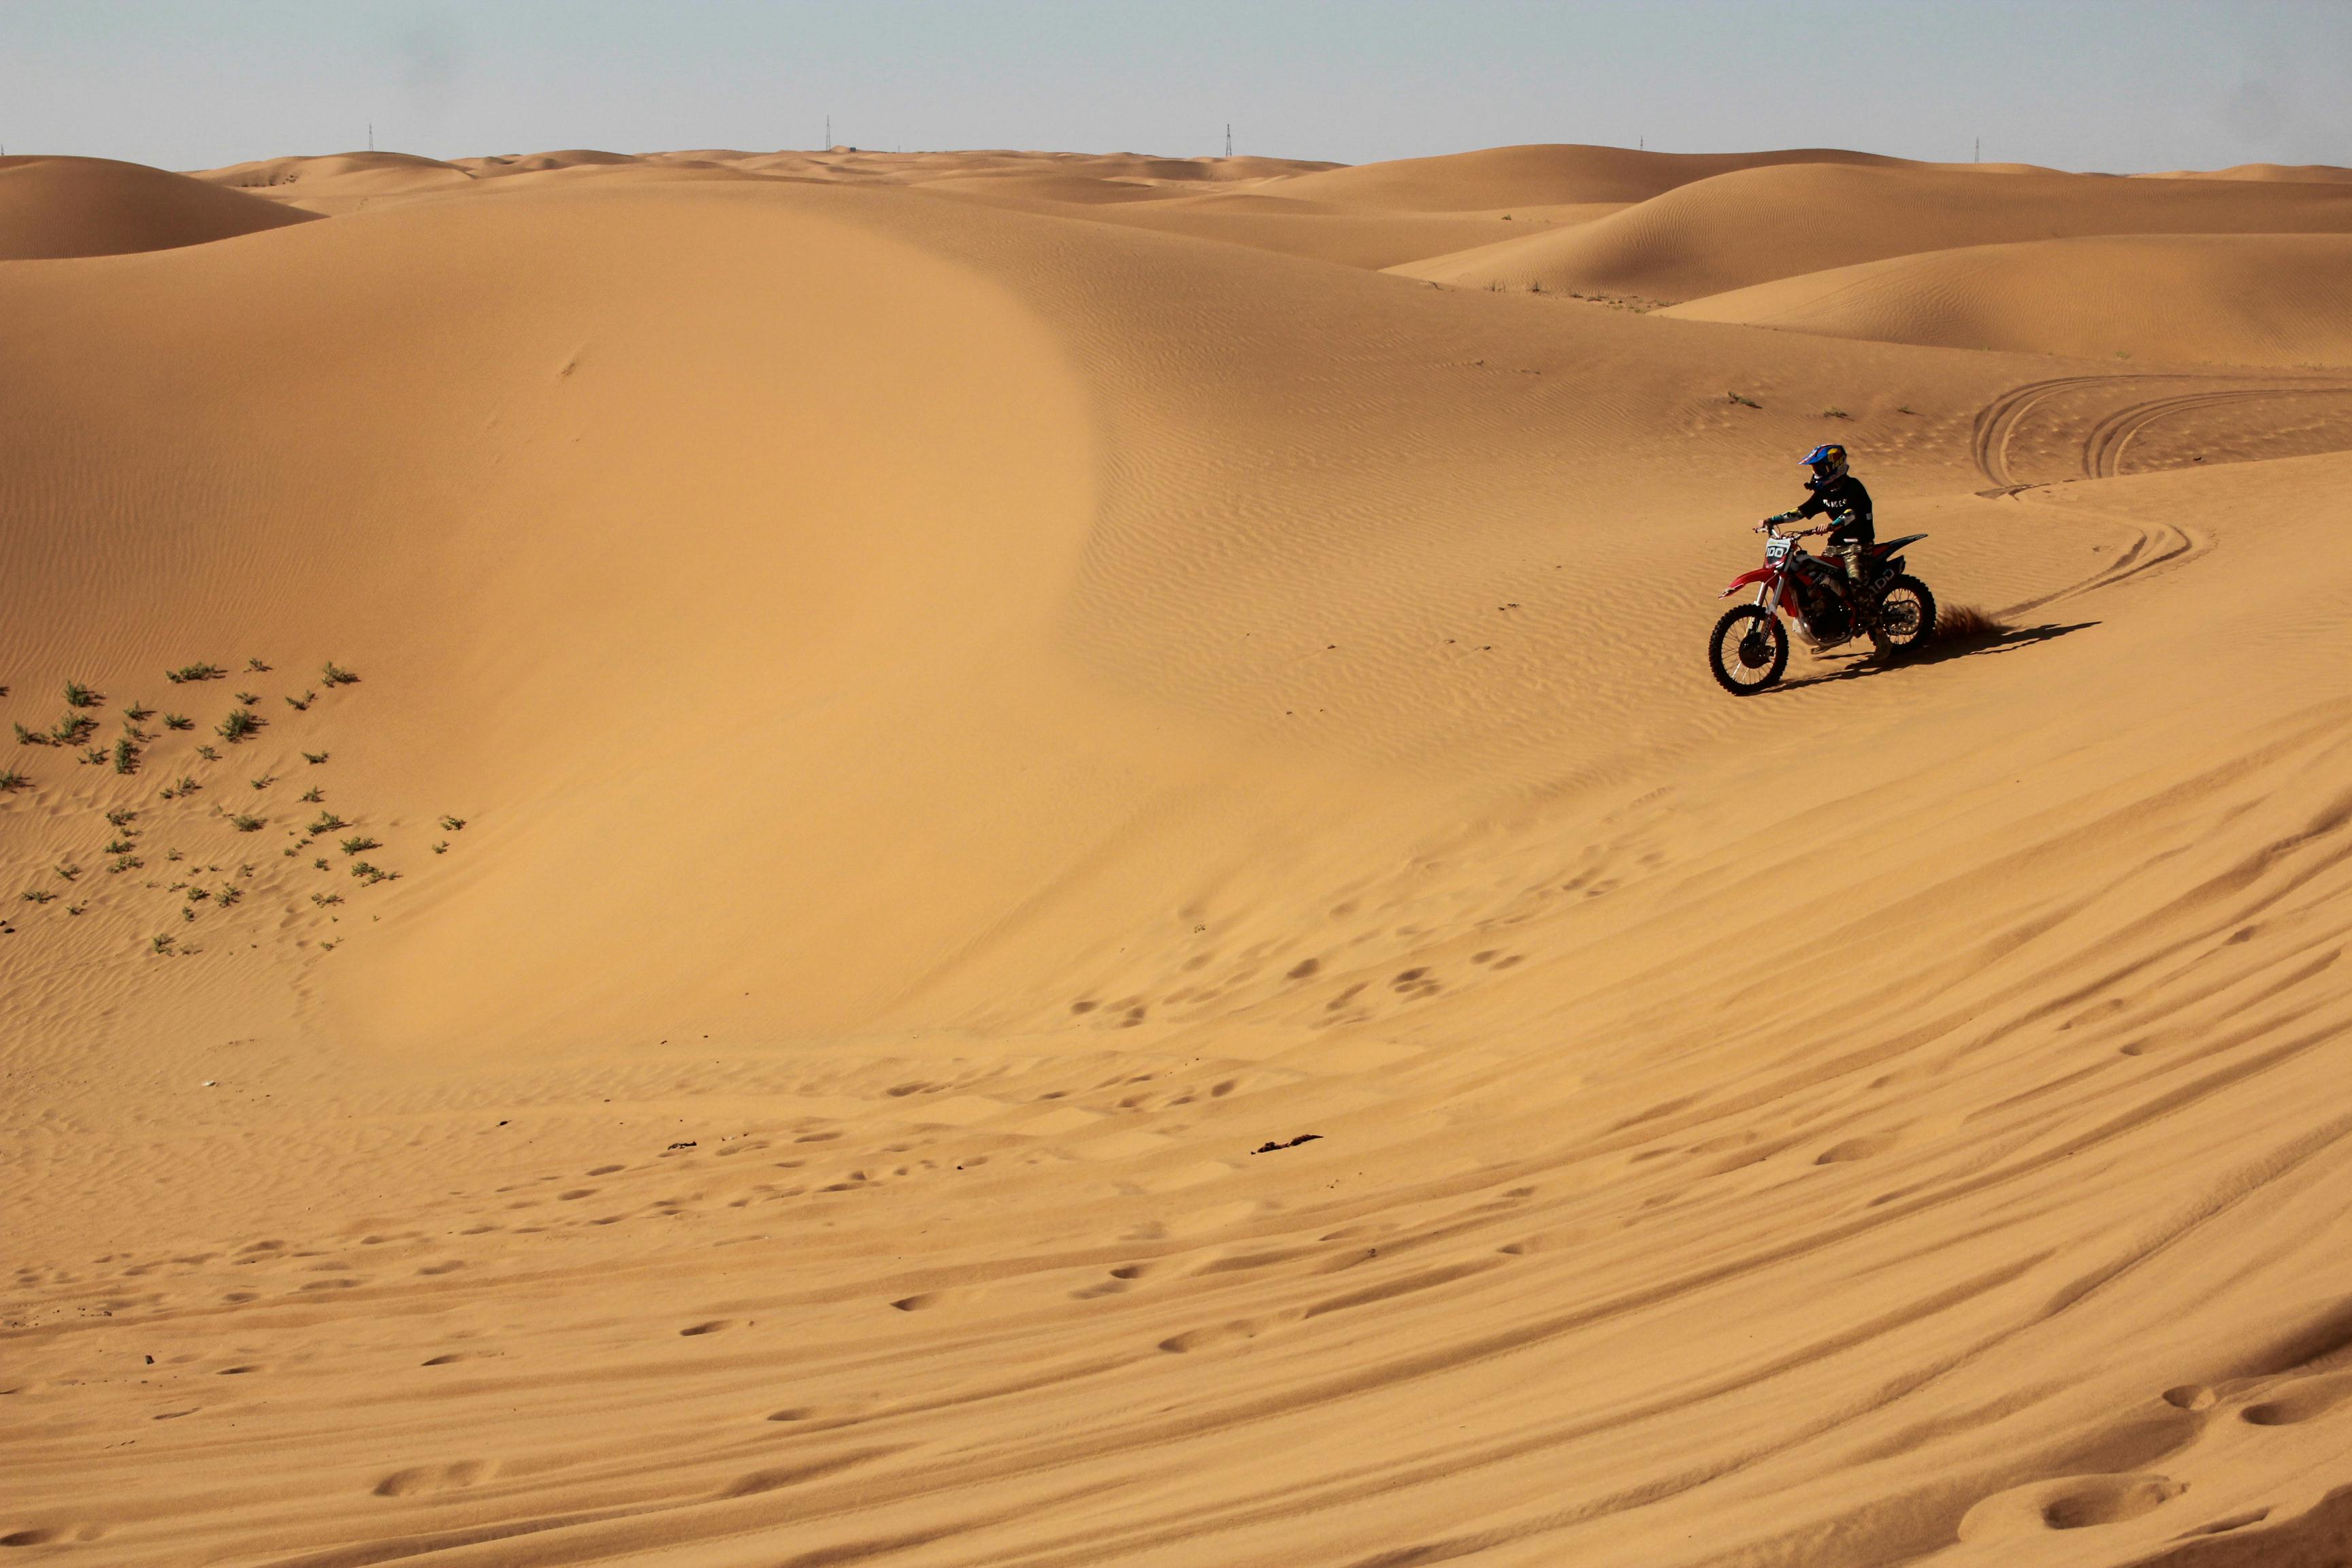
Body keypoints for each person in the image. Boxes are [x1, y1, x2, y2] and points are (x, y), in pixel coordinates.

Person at [1765, 443, 1874, 601]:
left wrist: (1832, 526)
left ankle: (1872, 624)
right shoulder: (1824, 492)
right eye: (1815, 469)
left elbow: (1851, 514)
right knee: (1815, 581)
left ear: (1835, 467)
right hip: (1834, 546)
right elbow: (1801, 511)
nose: (1816, 474)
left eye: (1820, 469)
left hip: (1858, 547)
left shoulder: (1854, 488)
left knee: (1857, 588)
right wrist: (1773, 520)